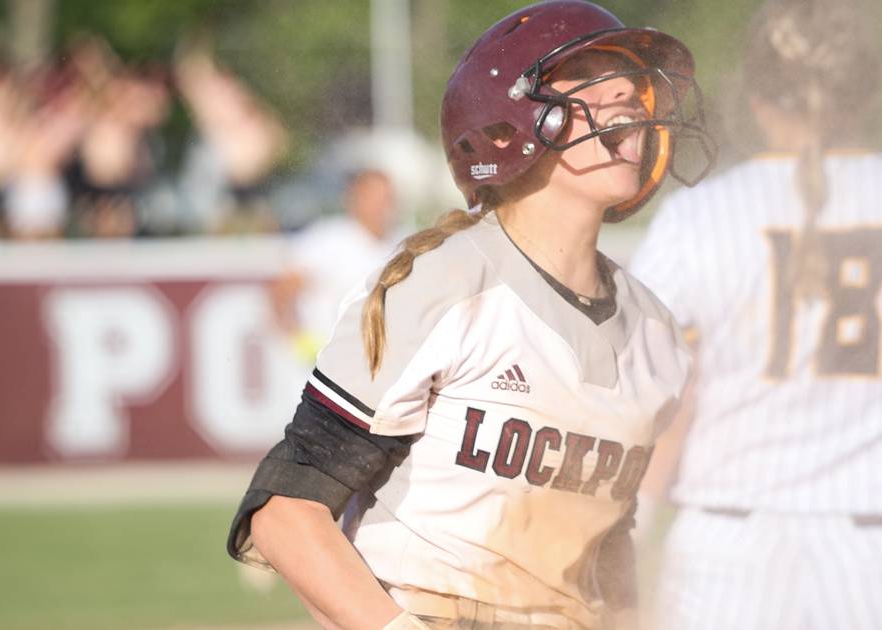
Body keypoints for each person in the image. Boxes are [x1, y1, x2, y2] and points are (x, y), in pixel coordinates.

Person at [225, 2, 714, 629]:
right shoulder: (444, 283)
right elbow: (285, 512)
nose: (627, 90)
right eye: (588, 73)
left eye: (628, 77)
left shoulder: (655, 334)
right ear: (507, 126)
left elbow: (607, 556)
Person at [630, 1, 882, 629]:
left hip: (727, 560)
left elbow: (663, 411)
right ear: (869, 91)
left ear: (756, 98)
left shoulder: (693, 219)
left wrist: (624, 547)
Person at [271, 168, 401, 364]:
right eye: (374, 197)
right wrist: (298, 342)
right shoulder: (328, 239)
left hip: (374, 363)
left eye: (386, 198)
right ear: (356, 198)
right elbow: (281, 292)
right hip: (326, 362)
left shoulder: (400, 245)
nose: (381, 206)